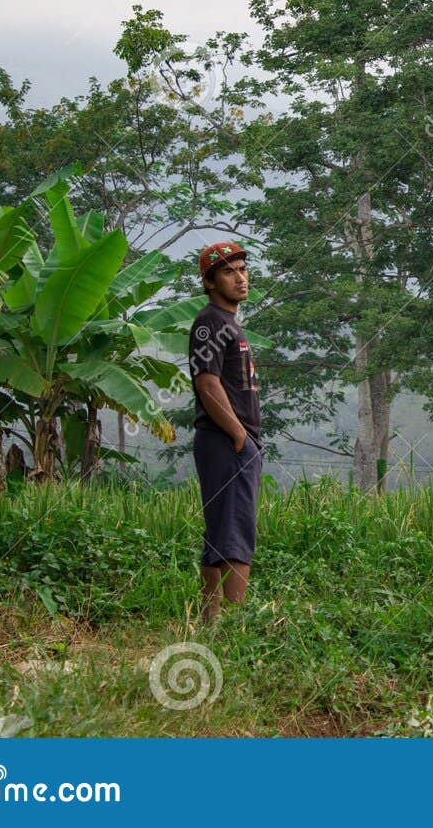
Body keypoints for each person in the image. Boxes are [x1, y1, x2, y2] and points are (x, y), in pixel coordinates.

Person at [188, 241, 263, 623]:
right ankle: (235, 624)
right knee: (235, 531)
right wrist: (239, 435)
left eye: (243, 269)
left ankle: (211, 620)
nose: (240, 277)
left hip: (230, 441)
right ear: (210, 281)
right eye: (228, 271)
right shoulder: (211, 322)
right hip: (225, 440)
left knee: (222, 529)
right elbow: (207, 383)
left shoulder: (229, 323)